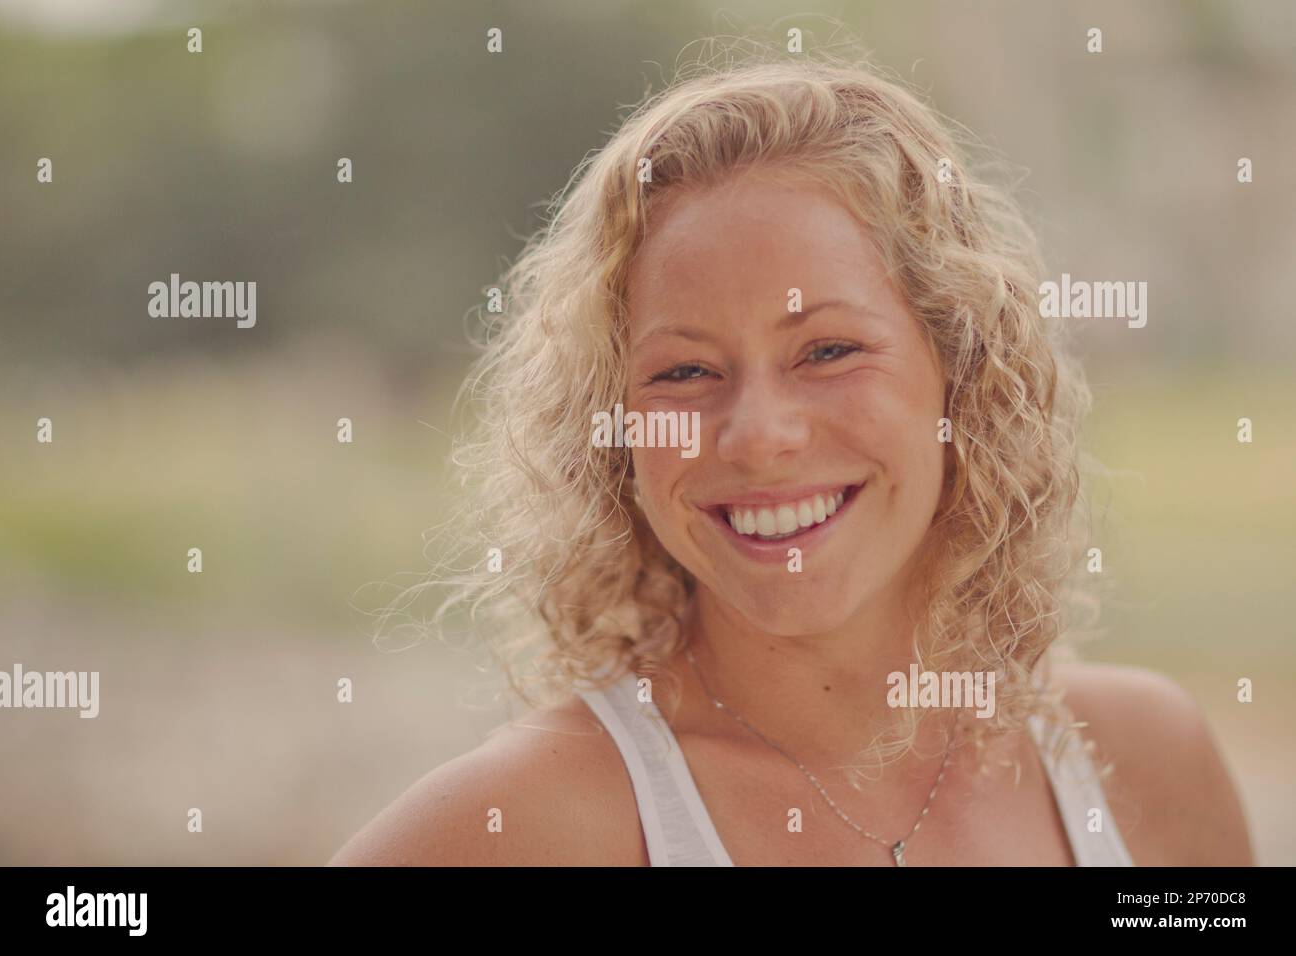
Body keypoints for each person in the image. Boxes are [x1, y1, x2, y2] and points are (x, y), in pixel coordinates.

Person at [330, 51, 1252, 867]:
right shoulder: (526, 825)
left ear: (961, 370)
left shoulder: (1141, 762)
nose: (757, 434)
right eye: (684, 371)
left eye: (827, 350)